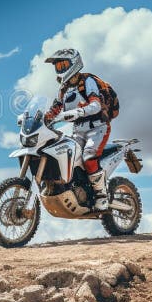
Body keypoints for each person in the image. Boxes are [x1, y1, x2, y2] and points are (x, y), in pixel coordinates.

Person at [43, 48, 111, 211]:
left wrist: (79, 111)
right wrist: (43, 119)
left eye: (63, 65)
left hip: (97, 128)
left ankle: (101, 195)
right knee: (67, 156)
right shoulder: (64, 89)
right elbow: (55, 109)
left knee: (88, 157)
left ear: (74, 64)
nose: (60, 70)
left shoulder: (88, 81)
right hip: (78, 131)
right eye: (57, 67)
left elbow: (96, 104)